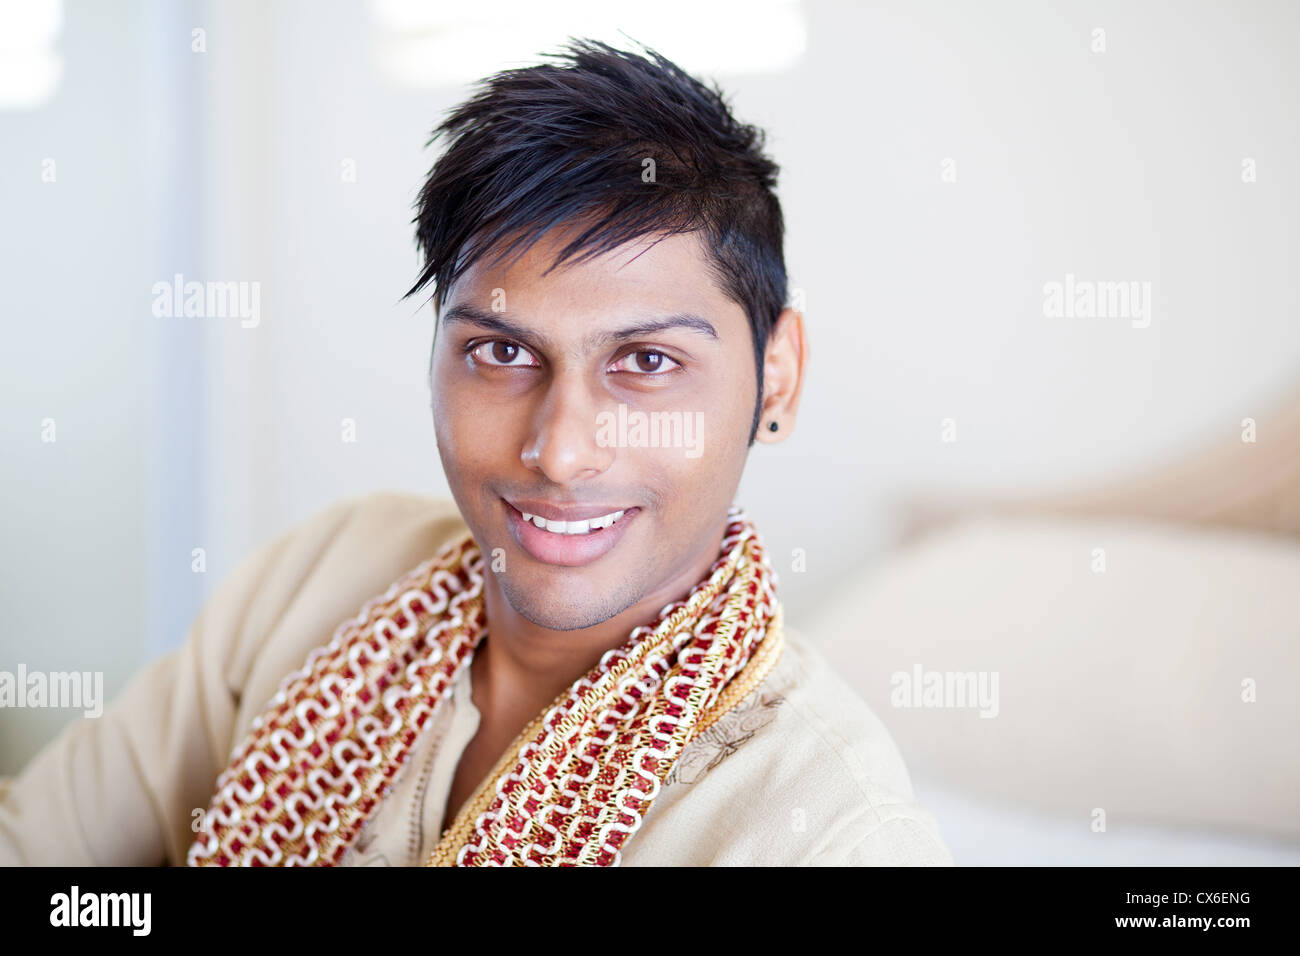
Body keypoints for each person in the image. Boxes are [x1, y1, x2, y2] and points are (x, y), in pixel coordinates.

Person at [0, 38, 952, 867]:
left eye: (648, 361)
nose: (561, 451)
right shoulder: (323, 580)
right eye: (501, 352)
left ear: (775, 377)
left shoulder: (825, 830)